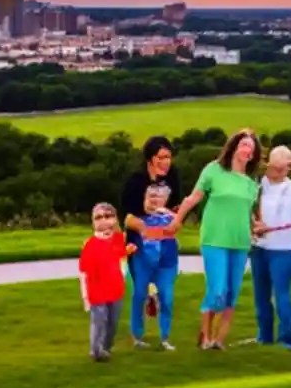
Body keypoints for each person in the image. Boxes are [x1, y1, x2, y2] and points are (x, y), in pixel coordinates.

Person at [172, 129, 262, 350]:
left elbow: (248, 212)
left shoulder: (252, 184)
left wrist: (257, 226)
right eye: (244, 145)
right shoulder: (214, 170)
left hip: (240, 242)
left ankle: (218, 340)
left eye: (252, 148)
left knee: (231, 292)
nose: (248, 150)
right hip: (214, 239)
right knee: (217, 290)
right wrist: (177, 220)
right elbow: (194, 197)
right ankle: (205, 335)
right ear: (234, 147)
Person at [250, 146, 291, 350]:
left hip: (283, 249)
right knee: (260, 295)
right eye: (274, 167)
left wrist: (266, 228)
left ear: (289, 168)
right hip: (259, 247)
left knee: (281, 293)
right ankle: (264, 336)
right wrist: (254, 224)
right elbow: (252, 206)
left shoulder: (290, 191)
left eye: (282, 168)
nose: (277, 172)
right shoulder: (261, 184)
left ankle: (286, 339)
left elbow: (288, 221)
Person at [79, 202, 136, 362]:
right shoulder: (90, 245)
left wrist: (128, 251)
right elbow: (84, 272)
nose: (104, 220)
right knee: (100, 321)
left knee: (112, 322)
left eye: (108, 216)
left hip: (116, 289)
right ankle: (96, 350)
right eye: (99, 217)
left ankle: (106, 347)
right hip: (97, 292)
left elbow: (118, 255)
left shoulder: (117, 239)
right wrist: (85, 297)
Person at [126, 184, 179, 350]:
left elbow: (177, 228)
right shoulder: (137, 217)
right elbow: (127, 223)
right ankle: (137, 336)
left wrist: (170, 216)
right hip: (142, 261)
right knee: (139, 295)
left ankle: (165, 338)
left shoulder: (169, 216)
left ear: (165, 200)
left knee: (167, 297)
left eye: (158, 197)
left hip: (166, 262)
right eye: (150, 197)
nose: (154, 200)